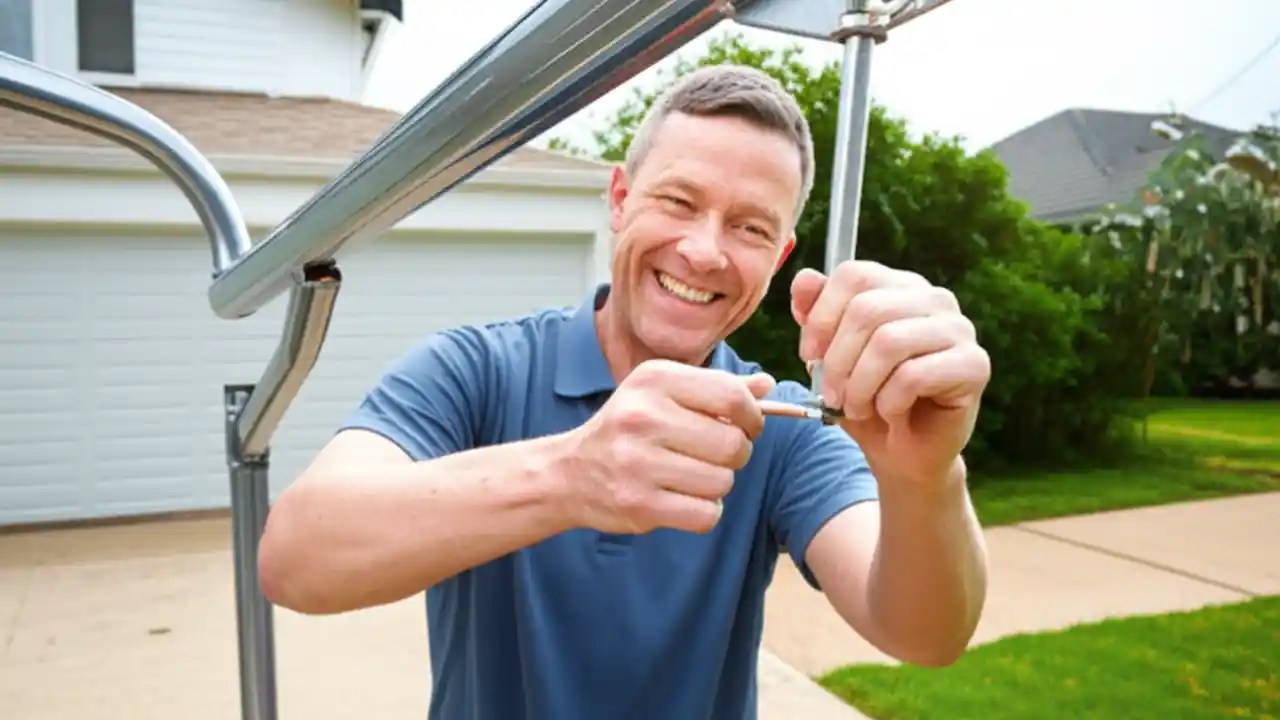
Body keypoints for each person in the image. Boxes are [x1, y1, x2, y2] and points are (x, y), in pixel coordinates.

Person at [258, 64, 991, 719]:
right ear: (619, 198)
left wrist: (925, 477)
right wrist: (570, 477)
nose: (703, 251)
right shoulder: (475, 370)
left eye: (749, 227)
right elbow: (295, 559)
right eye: (678, 201)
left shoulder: (788, 424)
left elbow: (926, 635)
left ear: (780, 256)